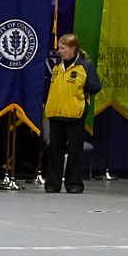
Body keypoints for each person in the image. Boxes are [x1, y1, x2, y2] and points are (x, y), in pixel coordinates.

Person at [42, 30, 100, 194]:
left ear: (73, 49)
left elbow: (95, 87)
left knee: (75, 151)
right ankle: (53, 184)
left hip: (74, 114)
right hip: (56, 114)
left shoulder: (84, 66)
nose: (60, 51)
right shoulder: (56, 68)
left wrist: (80, 95)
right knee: (55, 151)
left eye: (63, 48)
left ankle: (74, 183)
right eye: (59, 48)